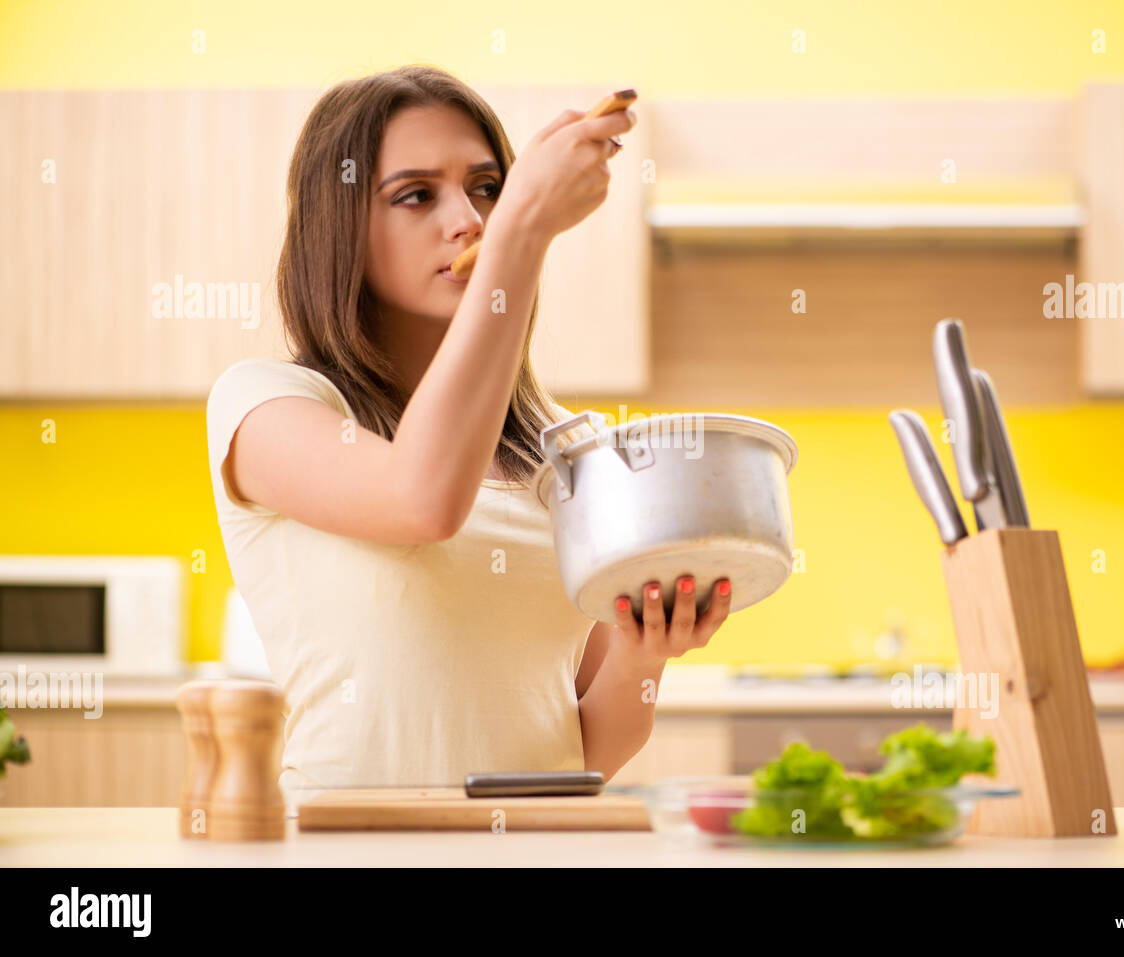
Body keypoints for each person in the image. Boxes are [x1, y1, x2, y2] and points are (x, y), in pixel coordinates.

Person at [204, 65, 731, 801]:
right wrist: (523, 228)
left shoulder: (570, 447)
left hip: (532, 850)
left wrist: (645, 658)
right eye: (416, 195)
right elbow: (421, 499)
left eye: (487, 187)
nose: (470, 219)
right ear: (339, 226)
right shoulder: (267, 407)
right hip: (349, 853)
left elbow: (588, 744)